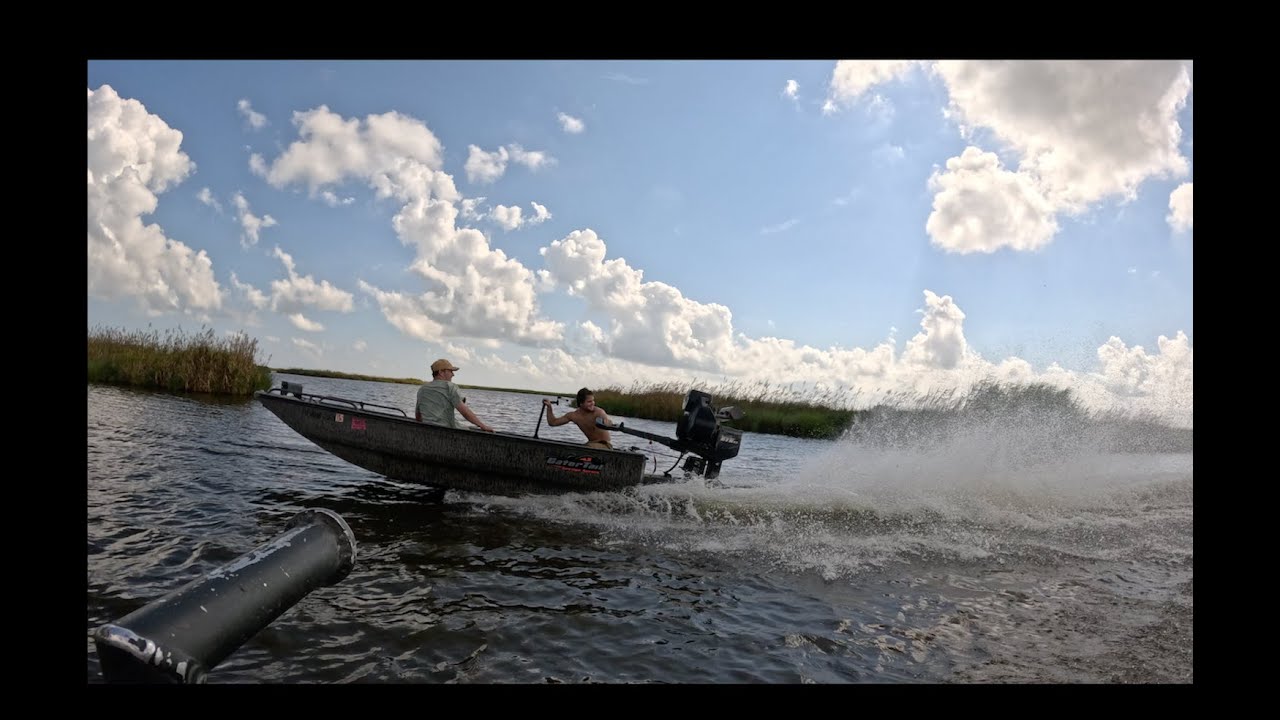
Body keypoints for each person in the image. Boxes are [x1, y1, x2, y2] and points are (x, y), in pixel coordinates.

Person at [415, 359, 494, 432]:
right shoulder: (450, 386)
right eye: (450, 371)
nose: (453, 374)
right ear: (441, 372)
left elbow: (418, 416)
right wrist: (482, 426)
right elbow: (464, 411)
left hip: (429, 430)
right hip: (448, 431)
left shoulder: (422, 389)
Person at [543, 387, 613, 449]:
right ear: (581, 403)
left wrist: (608, 423)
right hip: (591, 444)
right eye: (589, 401)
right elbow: (553, 422)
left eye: (593, 400)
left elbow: (608, 422)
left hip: (605, 446)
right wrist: (549, 407)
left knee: (585, 448)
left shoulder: (598, 412)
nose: (593, 403)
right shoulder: (574, 415)